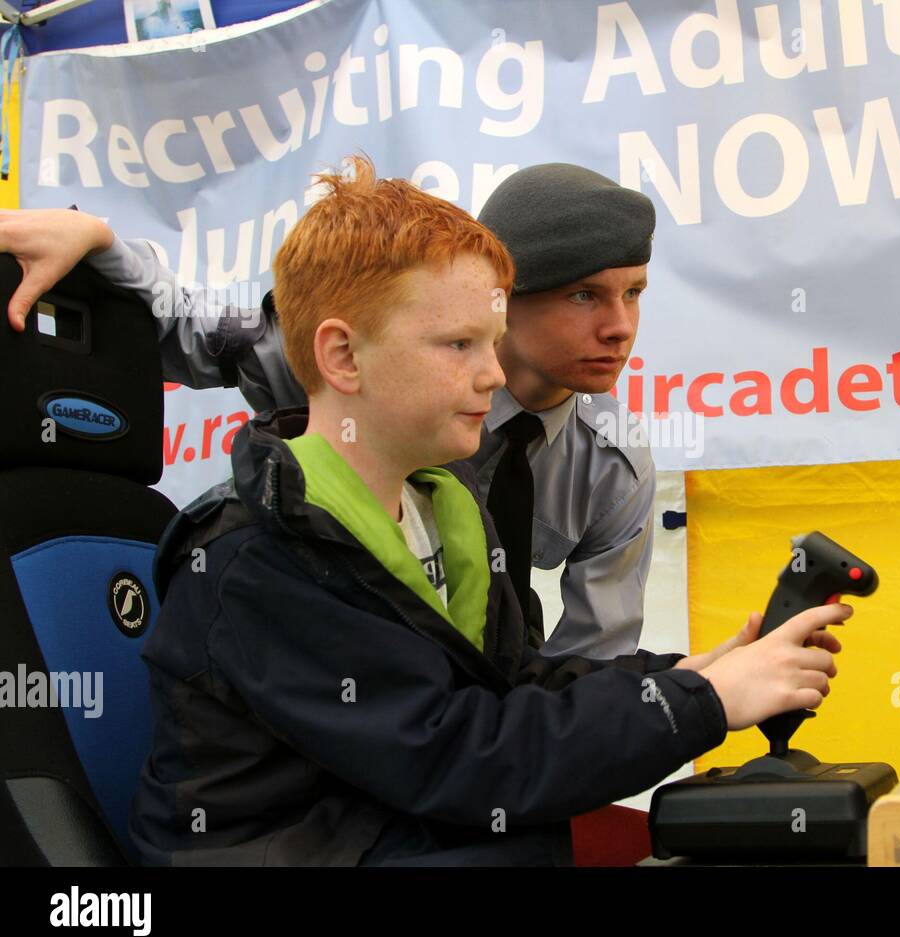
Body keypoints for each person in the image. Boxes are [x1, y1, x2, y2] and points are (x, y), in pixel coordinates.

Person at [109, 154, 848, 865]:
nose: (494, 374)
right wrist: (702, 703)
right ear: (342, 359)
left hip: (393, 820)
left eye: (490, 343)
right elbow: (455, 751)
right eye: (460, 344)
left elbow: (512, 683)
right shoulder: (257, 556)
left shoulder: (441, 512)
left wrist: (685, 674)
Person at [0, 164, 658, 659]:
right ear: (505, 296)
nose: (620, 326)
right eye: (584, 296)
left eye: (633, 294)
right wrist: (101, 246)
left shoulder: (613, 467)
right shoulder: (363, 371)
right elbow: (190, 333)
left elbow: (594, 660)